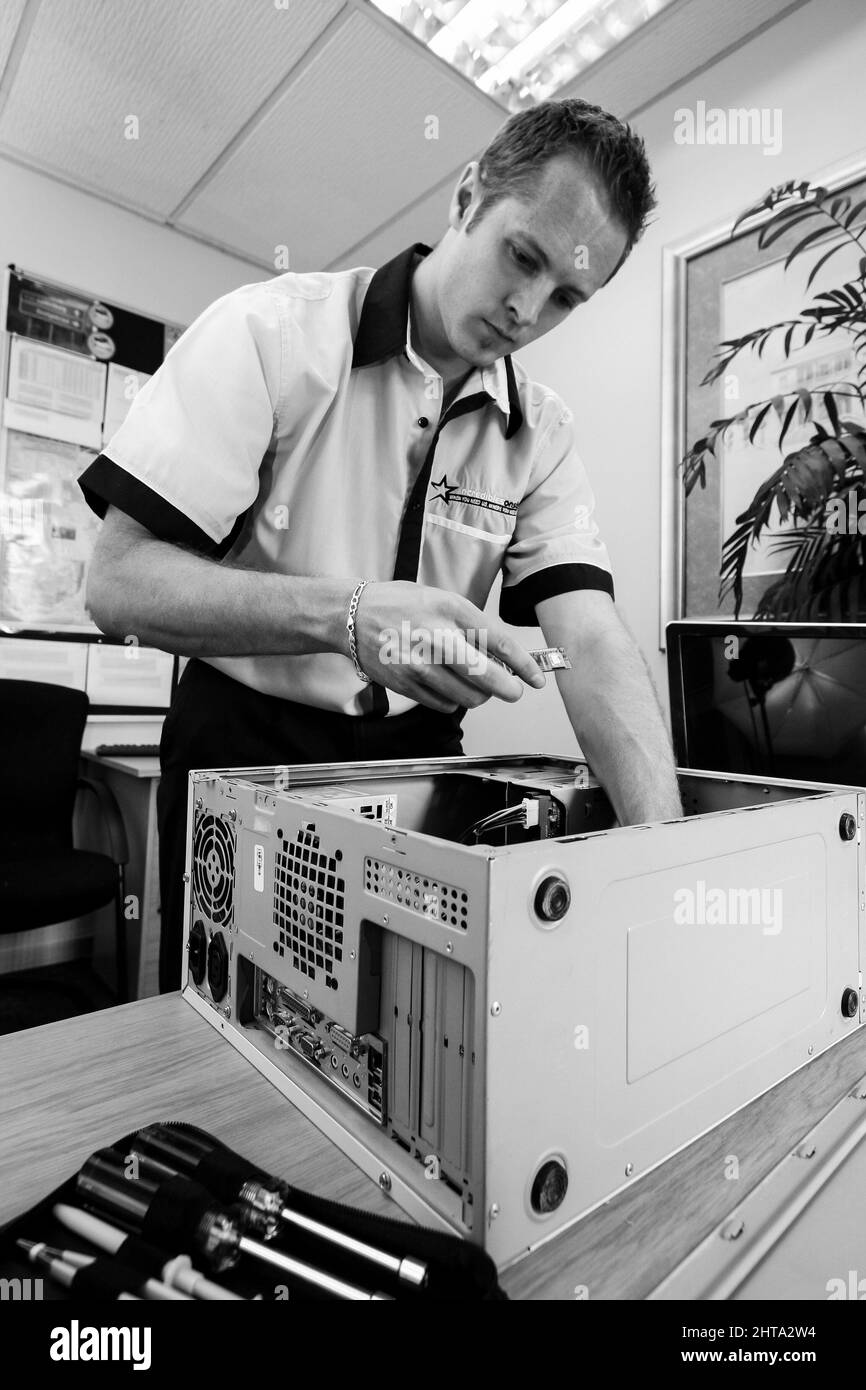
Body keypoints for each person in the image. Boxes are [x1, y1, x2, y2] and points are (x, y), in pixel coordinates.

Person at [81, 98, 682, 992]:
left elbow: (588, 640)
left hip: (421, 765)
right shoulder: (273, 333)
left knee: (395, 1023)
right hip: (246, 746)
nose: (525, 309)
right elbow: (119, 582)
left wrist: (664, 863)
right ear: (467, 197)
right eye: (522, 257)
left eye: (566, 296)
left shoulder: (541, 433)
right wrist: (350, 615)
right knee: (232, 1020)